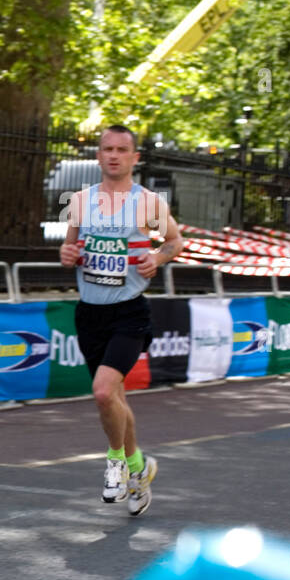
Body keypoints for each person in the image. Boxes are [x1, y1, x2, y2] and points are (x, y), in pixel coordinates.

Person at [59, 124, 184, 516]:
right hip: (89, 311)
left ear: (135, 158)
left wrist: (157, 258)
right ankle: (139, 468)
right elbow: (70, 244)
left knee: (102, 392)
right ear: (99, 155)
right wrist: (68, 254)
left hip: (129, 310)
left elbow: (175, 241)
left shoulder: (148, 203)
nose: (113, 155)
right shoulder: (80, 201)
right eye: (107, 149)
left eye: (121, 149)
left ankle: (116, 464)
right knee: (114, 398)